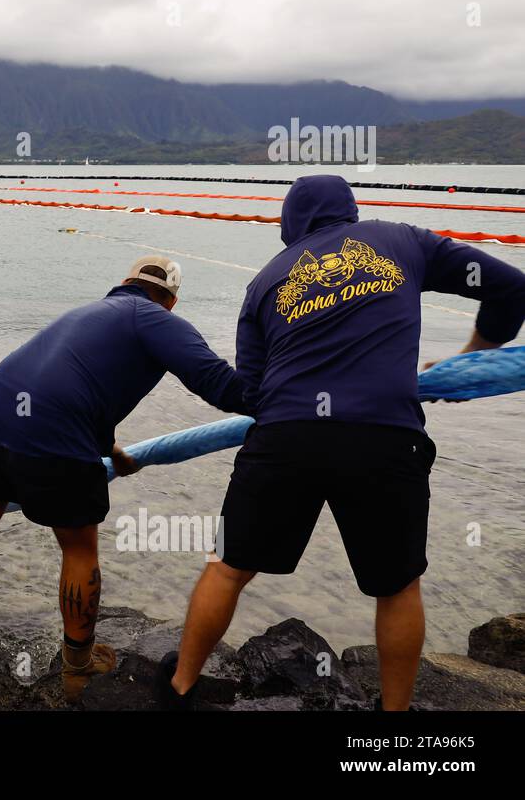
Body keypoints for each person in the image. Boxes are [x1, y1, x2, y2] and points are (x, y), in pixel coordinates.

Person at [156, 175, 525, 711]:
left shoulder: (264, 283)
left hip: (286, 438)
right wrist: (470, 358)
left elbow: (254, 393)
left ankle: (180, 689)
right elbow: (510, 287)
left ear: (289, 226)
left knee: (229, 566)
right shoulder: (403, 240)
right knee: (396, 587)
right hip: (384, 435)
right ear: (350, 212)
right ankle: (394, 721)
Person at [0, 256, 253, 704]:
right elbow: (218, 384)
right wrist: (281, 400)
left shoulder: (86, 313)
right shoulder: (154, 317)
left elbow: (69, 384)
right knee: (78, 546)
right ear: (172, 301)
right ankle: (77, 669)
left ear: (123, 283)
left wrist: (111, 450)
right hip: (57, 435)